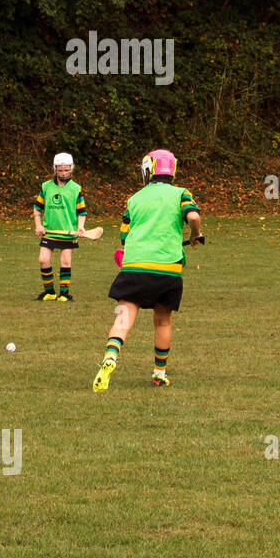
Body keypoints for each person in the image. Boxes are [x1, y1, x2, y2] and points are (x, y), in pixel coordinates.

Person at [92, 149, 202, 391]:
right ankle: (159, 374)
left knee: (123, 317)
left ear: (148, 170)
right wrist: (196, 235)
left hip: (135, 267)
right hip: (168, 270)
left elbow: (124, 237)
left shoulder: (134, 199)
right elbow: (193, 217)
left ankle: (111, 355)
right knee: (163, 321)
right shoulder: (181, 194)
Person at [32, 152, 87, 302]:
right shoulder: (46, 187)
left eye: (67, 170)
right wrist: (38, 225)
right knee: (43, 260)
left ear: (71, 169)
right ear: (55, 169)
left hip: (68, 233)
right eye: (61, 170)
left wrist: (80, 227)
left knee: (65, 262)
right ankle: (49, 292)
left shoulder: (76, 189)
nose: (64, 173)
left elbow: (81, 212)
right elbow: (37, 208)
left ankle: (64, 294)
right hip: (49, 231)